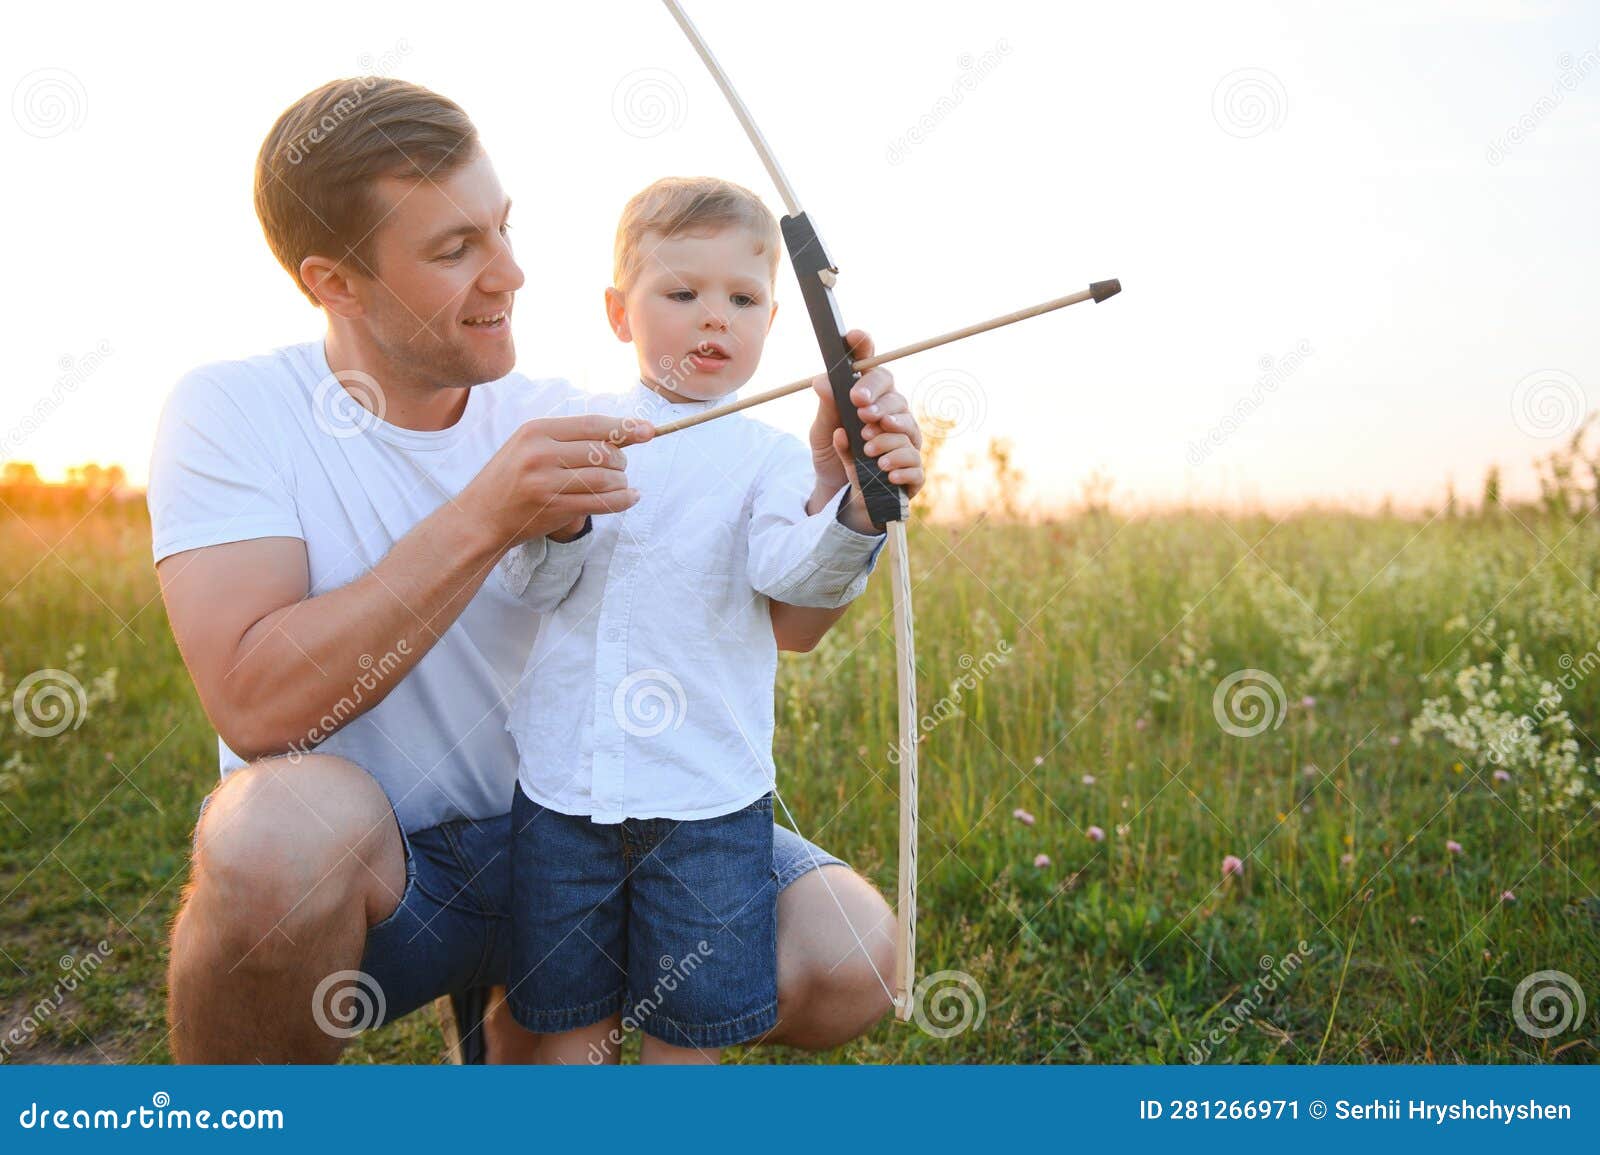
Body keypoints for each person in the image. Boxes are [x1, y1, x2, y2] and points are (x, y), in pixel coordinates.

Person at [146, 76, 924, 1062]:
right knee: (269, 841)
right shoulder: (236, 409)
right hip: (392, 881)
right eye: (454, 249)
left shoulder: (589, 416)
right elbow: (257, 705)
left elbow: (786, 623)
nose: (510, 273)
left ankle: (520, 1047)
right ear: (334, 282)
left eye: (503, 229)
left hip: (592, 823)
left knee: (850, 950)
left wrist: (840, 486)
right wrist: (487, 514)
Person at [498, 177, 923, 1063]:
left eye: (743, 299)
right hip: (566, 793)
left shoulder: (769, 459)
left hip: (706, 807)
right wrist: (565, 520)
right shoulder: (578, 429)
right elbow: (534, 583)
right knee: (565, 1029)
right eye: (682, 294)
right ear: (621, 312)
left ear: (775, 318)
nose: (714, 319)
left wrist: (854, 505)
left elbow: (792, 571)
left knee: (688, 1035)